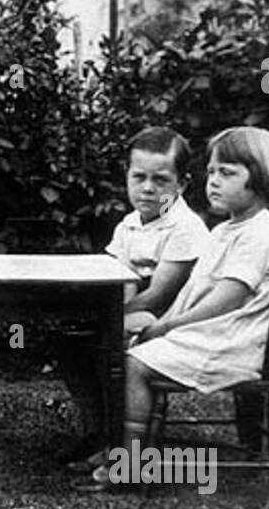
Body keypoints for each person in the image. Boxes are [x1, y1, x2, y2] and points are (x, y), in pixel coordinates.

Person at [81, 126, 269, 492]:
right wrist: (163, 323)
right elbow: (199, 291)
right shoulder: (231, 228)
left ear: (260, 179)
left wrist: (170, 326)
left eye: (227, 173)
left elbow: (230, 297)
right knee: (123, 346)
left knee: (134, 364)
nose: (213, 182)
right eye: (211, 172)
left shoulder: (258, 234)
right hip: (215, 332)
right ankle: (119, 446)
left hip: (230, 342)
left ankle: (131, 464)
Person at [60, 127, 210, 475]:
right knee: (70, 342)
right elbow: (119, 281)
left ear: (181, 184)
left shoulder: (185, 228)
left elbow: (160, 295)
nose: (147, 188)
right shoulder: (129, 225)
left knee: (104, 342)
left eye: (160, 180)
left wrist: (110, 319)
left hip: (173, 322)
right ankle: (99, 432)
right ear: (126, 177)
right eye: (138, 177)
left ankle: (120, 444)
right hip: (139, 315)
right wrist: (107, 311)